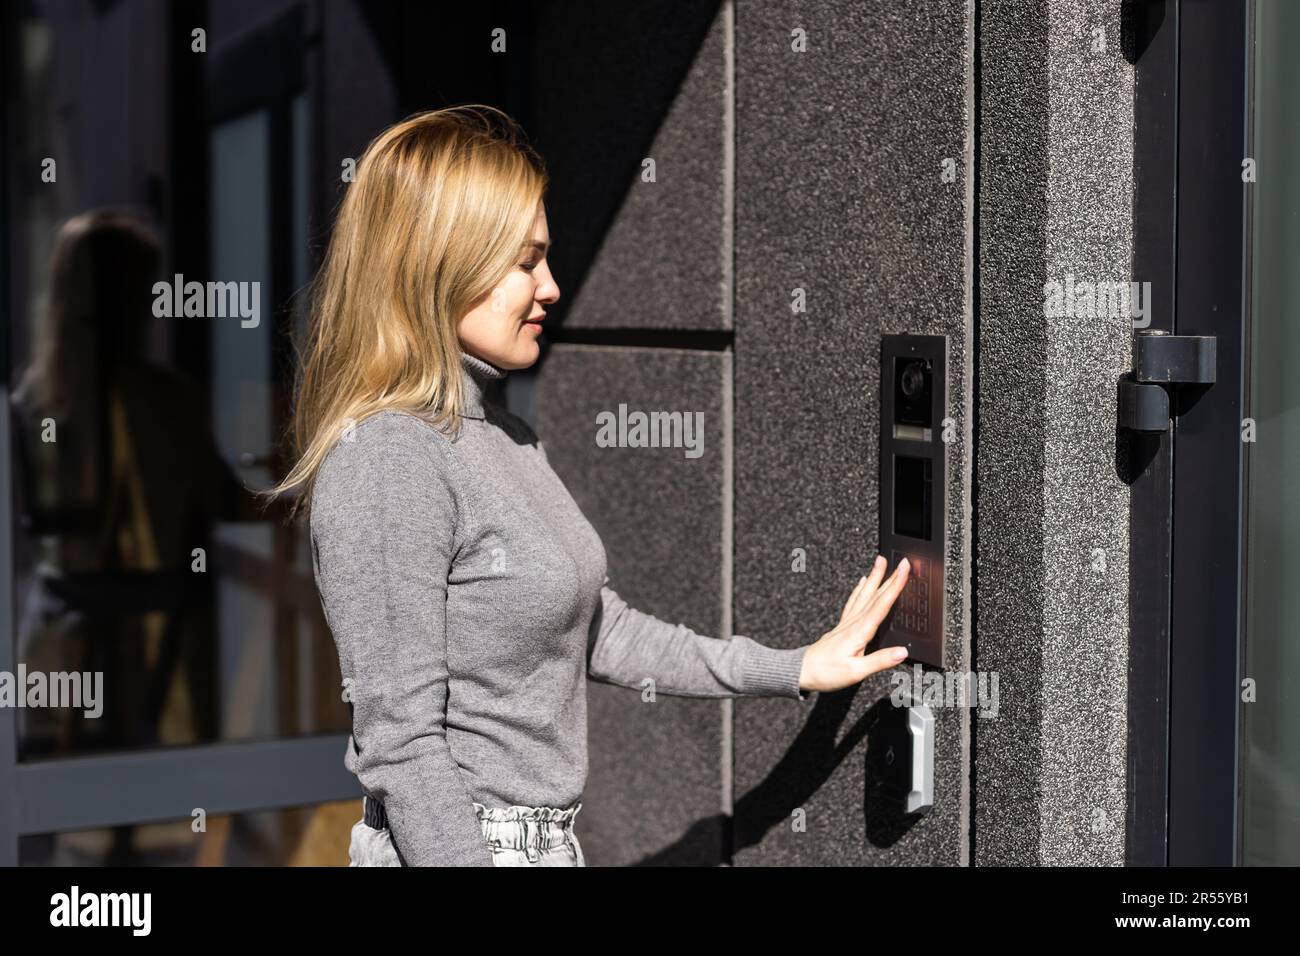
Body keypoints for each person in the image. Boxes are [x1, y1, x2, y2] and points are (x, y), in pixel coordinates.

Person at [265, 105, 912, 867]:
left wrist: (795, 666)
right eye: (524, 261)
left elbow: (601, 629)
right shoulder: (388, 458)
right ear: (437, 261)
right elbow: (401, 742)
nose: (551, 286)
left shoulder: (504, 438)